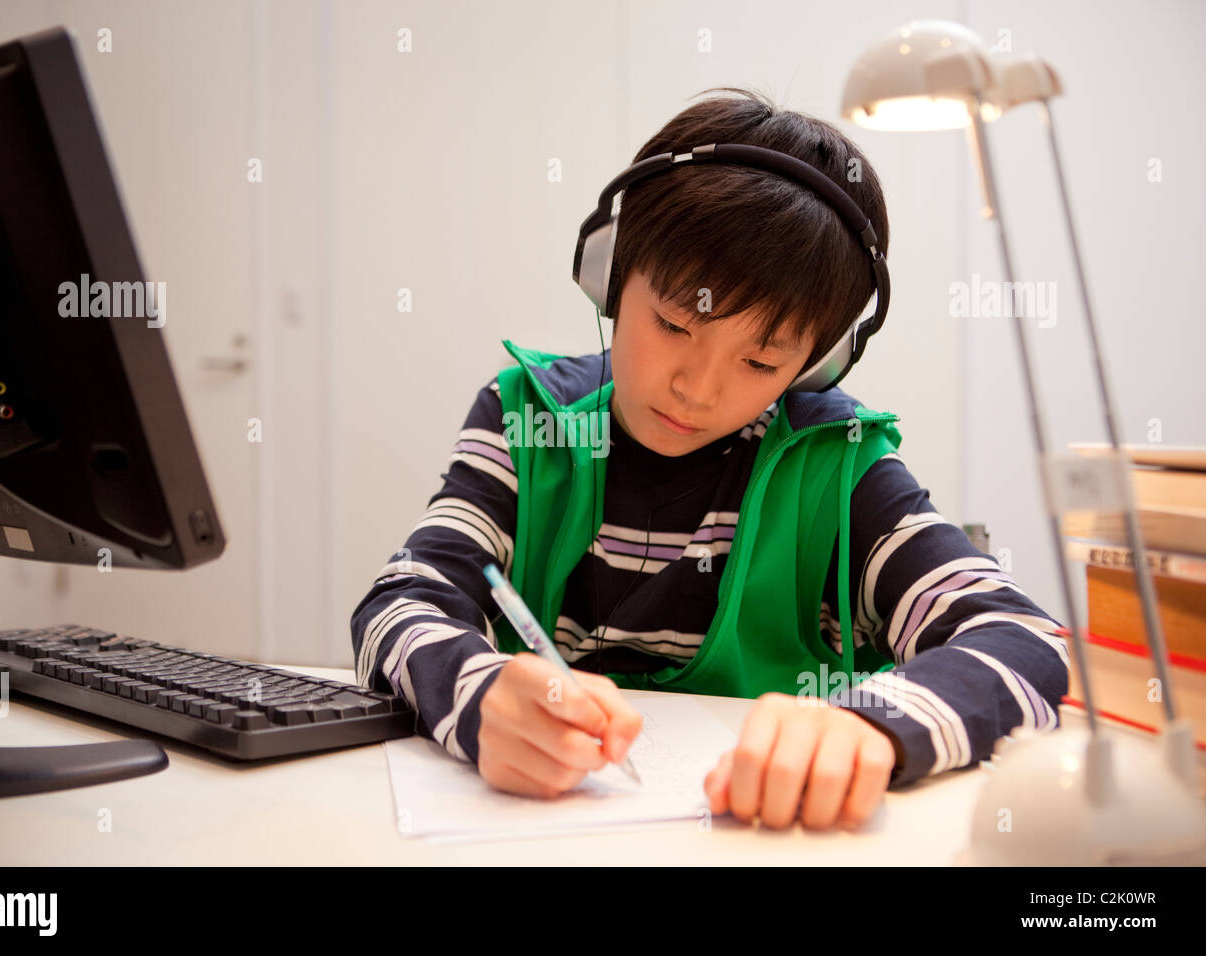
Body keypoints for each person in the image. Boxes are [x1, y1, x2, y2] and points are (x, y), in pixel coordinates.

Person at [351, 87, 1069, 830]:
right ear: (611, 275)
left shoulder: (838, 466)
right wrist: (478, 696)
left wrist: (872, 725)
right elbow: (400, 602)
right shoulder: (526, 419)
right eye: (670, 323)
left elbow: (1028, 641)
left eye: (761, 363)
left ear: (814, 366)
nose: (697, 388)